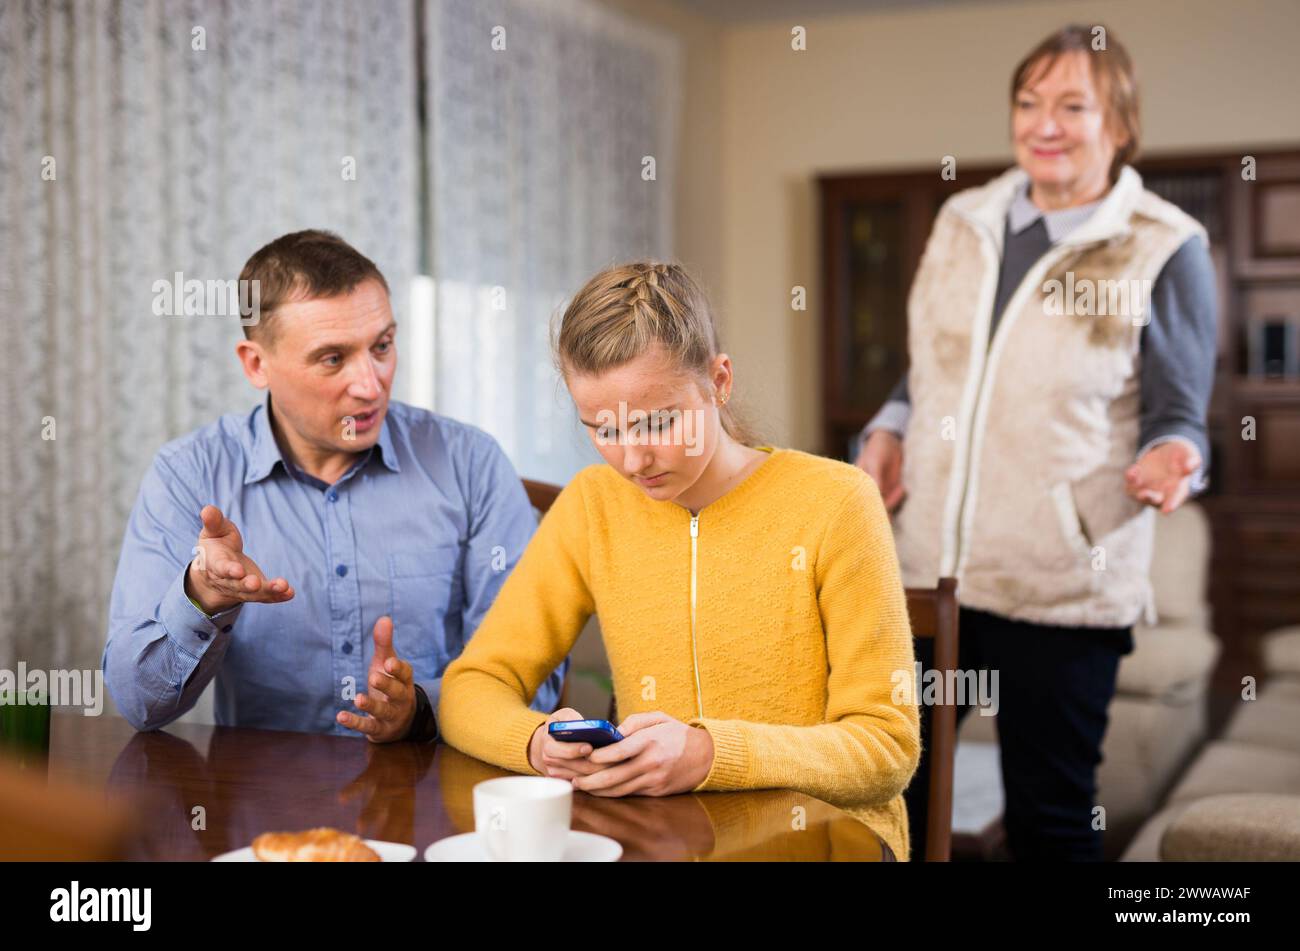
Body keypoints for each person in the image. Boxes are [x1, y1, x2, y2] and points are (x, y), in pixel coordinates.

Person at [854, 25, 1216, 860]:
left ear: (1120, 122)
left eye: (1072, 106)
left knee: (1051, 820)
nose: (1044, 123)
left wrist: (1175, 457)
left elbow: (1178, 414)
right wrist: (890, 428)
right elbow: (936, 367)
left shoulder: (1165, 246)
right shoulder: (963, 218)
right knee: (884, 796)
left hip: (1060, 591)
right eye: (1028, 103)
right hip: (923, 576)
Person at [438, 261, 920, 860]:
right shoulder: (593, 506)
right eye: (603, 429)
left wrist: (709, 754)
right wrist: (535, 740)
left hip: (826, 841)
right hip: (664, 842)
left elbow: (886, 748)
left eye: (659, 423)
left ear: (719, 380)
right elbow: (472, 685)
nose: (634, 460)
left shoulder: (837, 501)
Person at [103, 230, 566, 741]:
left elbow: (532, 680)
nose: (371, 385)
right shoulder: (188, 475)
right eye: (332, 358)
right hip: (261, 805)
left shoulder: (471, 464)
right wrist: (201, 597)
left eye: (383, 346)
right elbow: (140, 705)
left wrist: (423, 711)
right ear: (257, 364)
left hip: (436, 800)